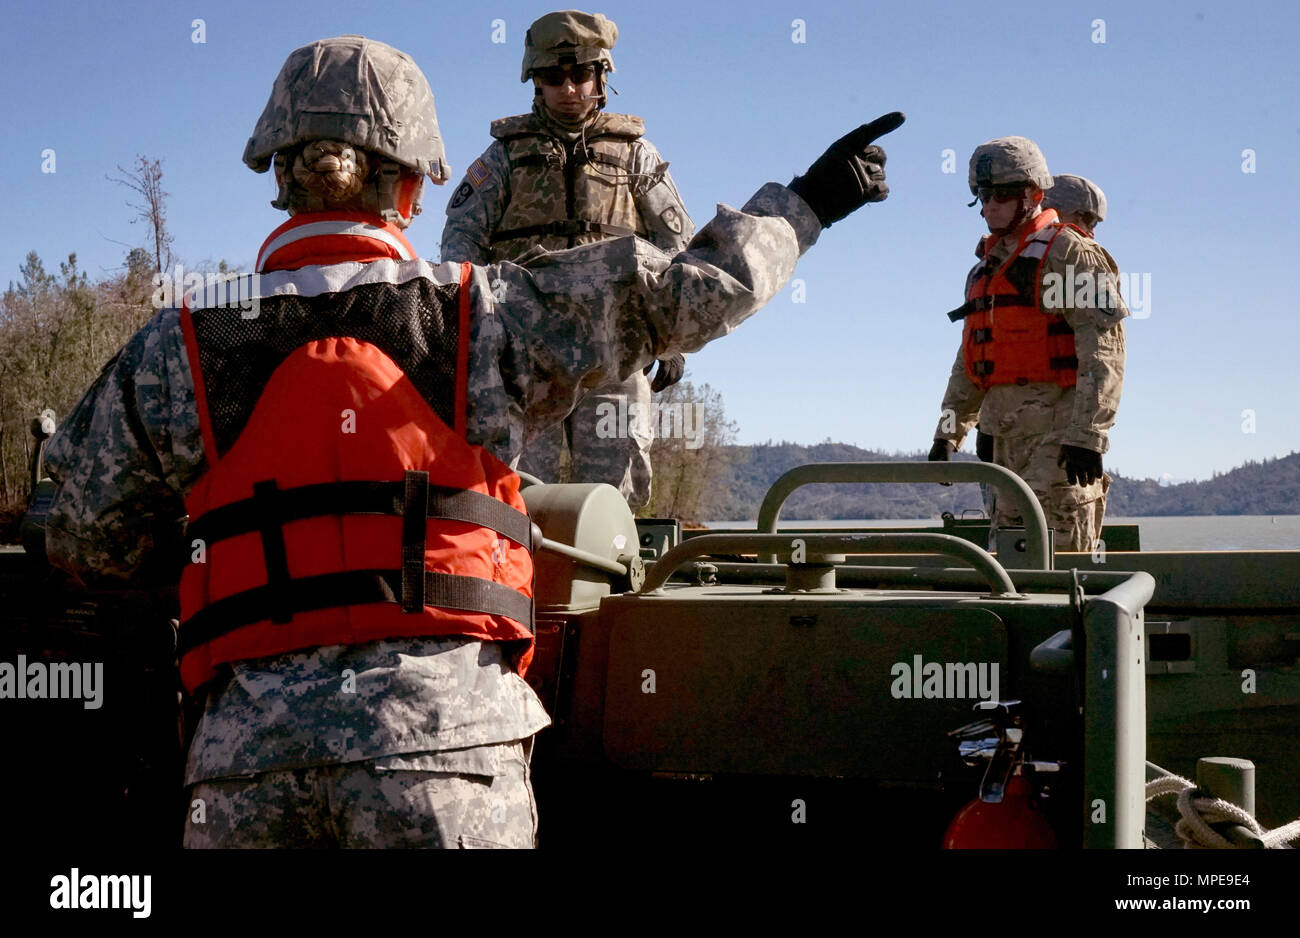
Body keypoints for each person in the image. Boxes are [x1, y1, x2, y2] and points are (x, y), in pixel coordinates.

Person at [40, 34, 902, 847]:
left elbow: (87, 539)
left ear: (280, 176)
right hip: (449, 761)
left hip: (244, 770)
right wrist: (808, 203)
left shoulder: (174, 346)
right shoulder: (487, 311)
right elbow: (686, 295)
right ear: (410, 188)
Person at [441, 10, 693, 510]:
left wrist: (673, 338)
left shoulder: (636, 157)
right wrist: (470, 338)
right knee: (514, 494)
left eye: (580, 74)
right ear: (534, 82)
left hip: (616, 351)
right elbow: (459, 249)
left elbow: (676, 250)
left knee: (616, 492)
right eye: (553, 77)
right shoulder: (503, 159)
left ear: (602, 77)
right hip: (524, 356)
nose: (569, 89)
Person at [928, 138, 1126, 553]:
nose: (989, 206)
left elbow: (1103, 351)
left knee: (1062, 561)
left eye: (1002, 194)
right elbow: (972, 358)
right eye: (982, 195)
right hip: (1004, 446)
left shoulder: (1070, 254)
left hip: (1059, 444)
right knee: (1014, 560)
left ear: (1034, 195)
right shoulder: (986, 268)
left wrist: (1088, 436)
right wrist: (948, 434)